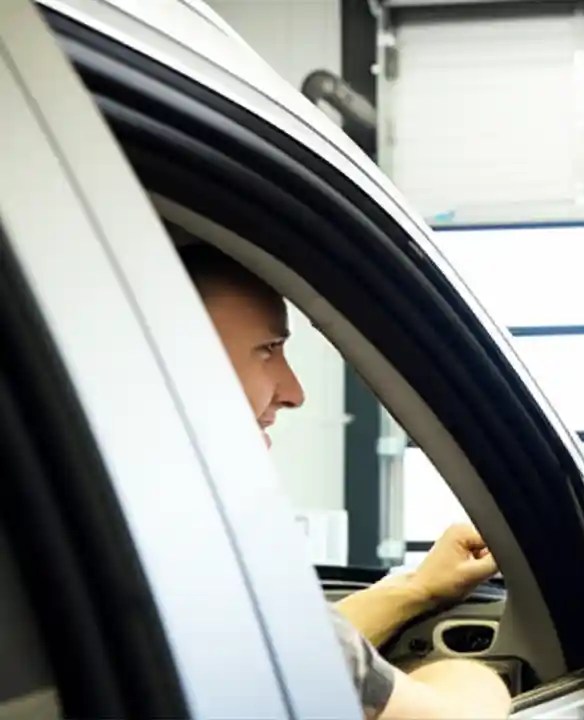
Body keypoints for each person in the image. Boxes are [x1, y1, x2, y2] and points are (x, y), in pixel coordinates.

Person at [176, 243, 511, 720]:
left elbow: (284, 658)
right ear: (171, 358)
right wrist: (466, 676)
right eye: (268, 350)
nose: (294, 393)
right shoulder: (194, 561)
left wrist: (417, 589)